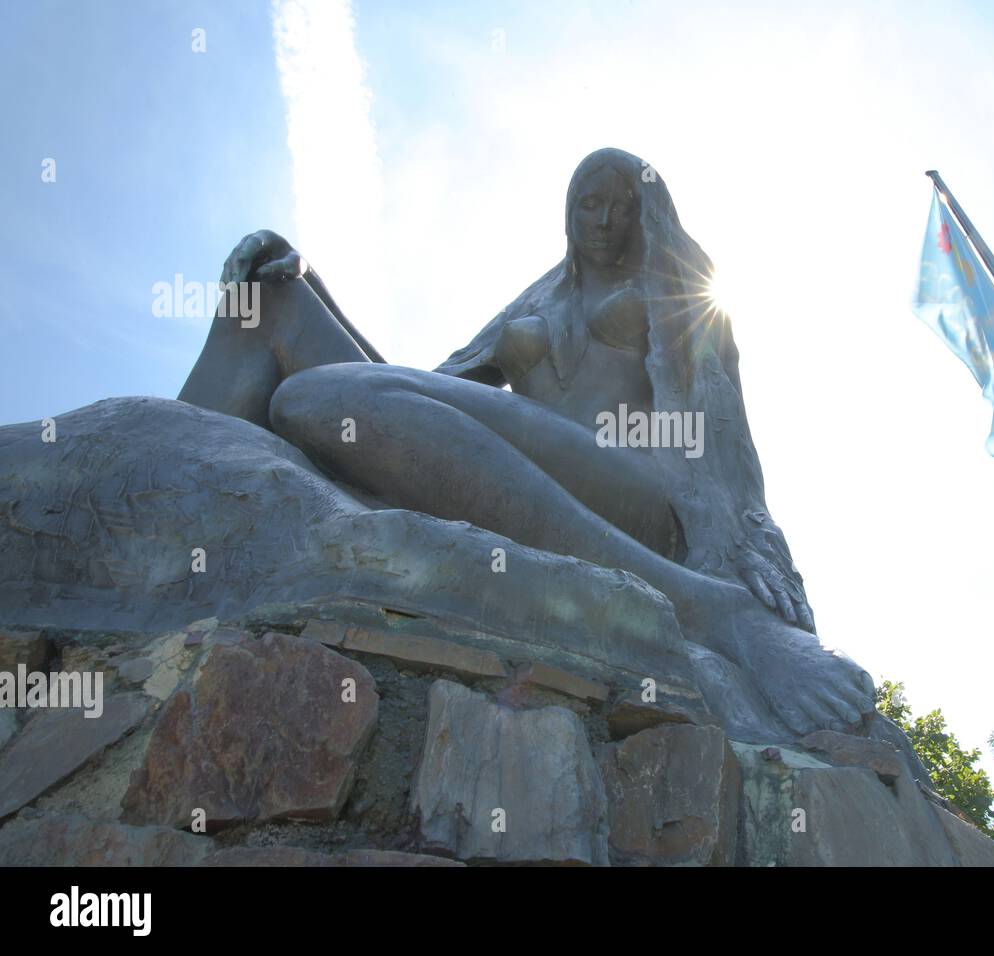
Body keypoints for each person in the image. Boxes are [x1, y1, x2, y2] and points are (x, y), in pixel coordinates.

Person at [178, 147, 873, 735]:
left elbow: (719, 423)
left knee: (316, 397)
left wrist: (744, 542)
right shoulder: (534, 301)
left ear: (645, 213)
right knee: (269, 302)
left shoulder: (675, 284)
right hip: (530, 462)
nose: (604, 219)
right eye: (588, 204)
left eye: (622, 204)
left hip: (635, 490)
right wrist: (309, 286)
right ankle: (165, 526)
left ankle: (704, 606)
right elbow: (419, 390)